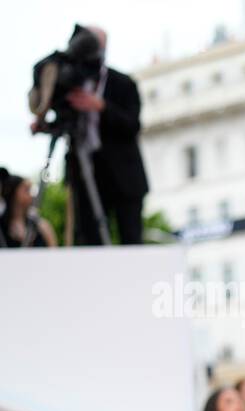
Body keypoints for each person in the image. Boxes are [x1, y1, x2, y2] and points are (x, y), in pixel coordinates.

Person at [35, 26, 149, 245]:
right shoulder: (71, 83)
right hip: (85, 173)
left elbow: (132, 125)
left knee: (131, 238)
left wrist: (101, 106)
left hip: (124, 177)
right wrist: (43, 124)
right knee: (89, 237)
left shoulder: (122, 83)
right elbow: (64, 121)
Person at [0, 169, 57, 248]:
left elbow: (54, 254)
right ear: (13, 193)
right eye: (26, 190)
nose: (31, 195)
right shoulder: (2, 230)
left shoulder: (42, 227)